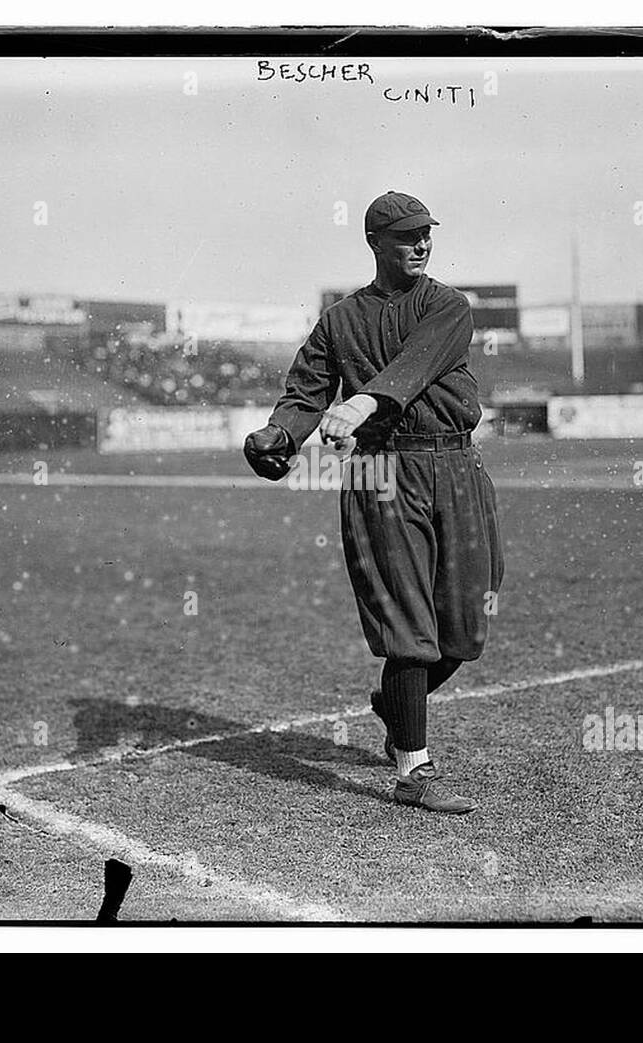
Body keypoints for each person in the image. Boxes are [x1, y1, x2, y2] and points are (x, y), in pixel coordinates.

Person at [244, 190, 504, 813]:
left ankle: (396, 704)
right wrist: (279, 435)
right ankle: (413, 768)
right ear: (375, 244)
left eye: (426, 233)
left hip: (455, 464)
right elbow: (306, 392)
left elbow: (417, 364)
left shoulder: (447, 306)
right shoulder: (338, 320)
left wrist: (363, 401)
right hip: (379, 472)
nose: (421, 244)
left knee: (466, 627)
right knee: (408, 626)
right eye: (407, 236)